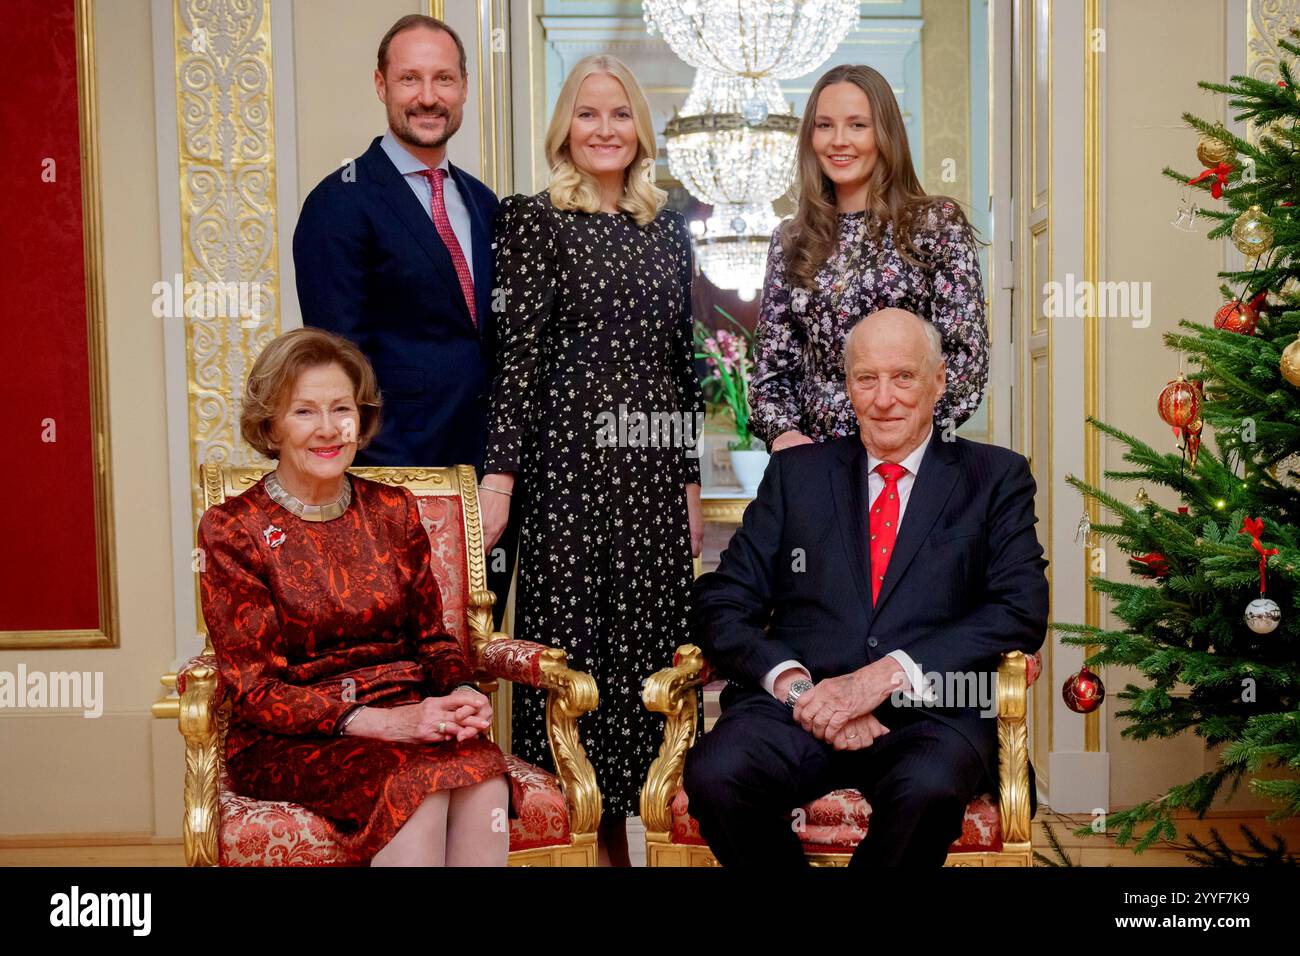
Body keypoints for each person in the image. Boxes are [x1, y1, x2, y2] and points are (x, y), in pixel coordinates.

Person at [683, 308, 1047, 867]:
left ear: (939, 381)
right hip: (800, 710)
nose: (884, 399)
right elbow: (721, 601)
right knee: (716, 774)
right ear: (847, 384)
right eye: (865, 378)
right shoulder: (797, 475)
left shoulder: (994, 477)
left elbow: (1020, 609)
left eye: (903, 376)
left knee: (928, 791)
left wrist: (884, 675)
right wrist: (797, 688)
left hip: (933, 714)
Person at [478, 54, 704, 866]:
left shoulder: (669, 228)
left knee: (652, 663)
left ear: (640, 129)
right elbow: (517, 362)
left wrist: (689, 483)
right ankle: (587, 848)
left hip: (649, 484)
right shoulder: (534, 220)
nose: (604, 129)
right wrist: (499, 480)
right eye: (587, 114)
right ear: (564, 131)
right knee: (577, 657)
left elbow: (684, 367)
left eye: (619, 114)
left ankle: (657, 844)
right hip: (567, 473)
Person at [197, 327, 509, 867]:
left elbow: (433, 640)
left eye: (342, 409)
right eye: (303, 412)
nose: (328, 429)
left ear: (361, 419)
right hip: (291, 737)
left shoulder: (395, 510)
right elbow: (253, 689)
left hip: (411, 713)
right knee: (421, 786)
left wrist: (460, 690)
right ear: (269, 424)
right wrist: (383, 723)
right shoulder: (233, 529)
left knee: (484, 779)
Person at [292, 15, 516, 626]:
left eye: (443, 79)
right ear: (381, 85)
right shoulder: (339, 201)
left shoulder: (484, 202)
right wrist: (388, 487)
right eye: (410, 78)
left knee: (471, 660)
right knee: (395, 664)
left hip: (485, 481)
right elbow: (338, 368)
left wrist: (496, 473)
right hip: (391, 484)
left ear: (465, 87)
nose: (427, 96)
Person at [750, 64, 989, 453]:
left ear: (885, 134)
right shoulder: (790, 239)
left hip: (911, 460)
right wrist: (784, 436)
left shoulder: (935, 224)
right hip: (814, 461)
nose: (838, 140)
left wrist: (903, 432)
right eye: (824, 125)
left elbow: (966, 358)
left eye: (858, 125)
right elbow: (770, 369)